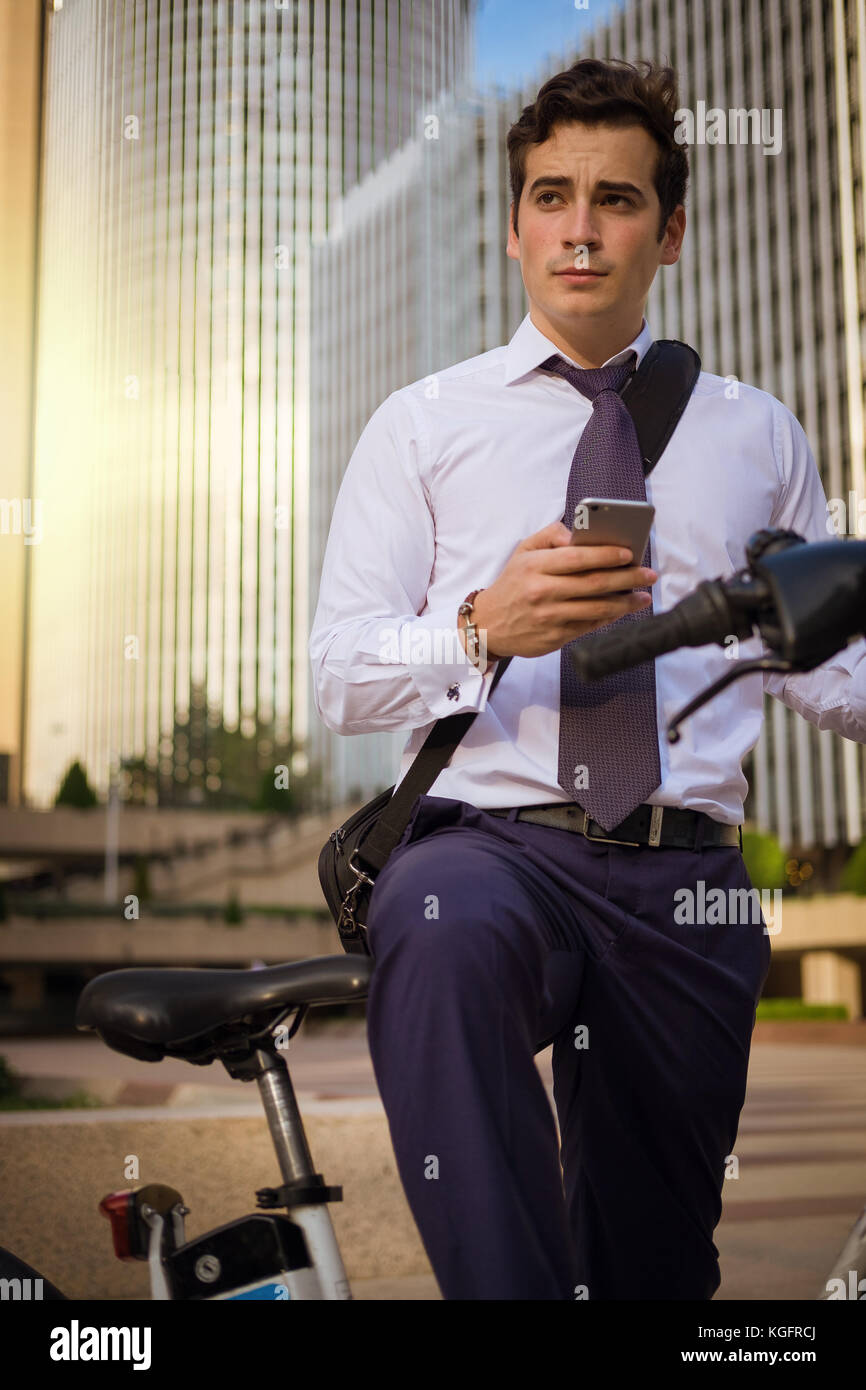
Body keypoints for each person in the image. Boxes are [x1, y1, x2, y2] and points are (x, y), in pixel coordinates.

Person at [309, 57, 866, 1300]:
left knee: (654, 1270)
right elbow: (341, 674)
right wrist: (477, 623)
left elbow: (829, 679)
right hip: (491, 847)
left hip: (684, 877)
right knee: (441, 933)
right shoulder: (423, 423)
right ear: (513, 227)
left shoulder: (756, 430)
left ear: (668, 230)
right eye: (549, 195)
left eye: (613, 199)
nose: (577, 226)